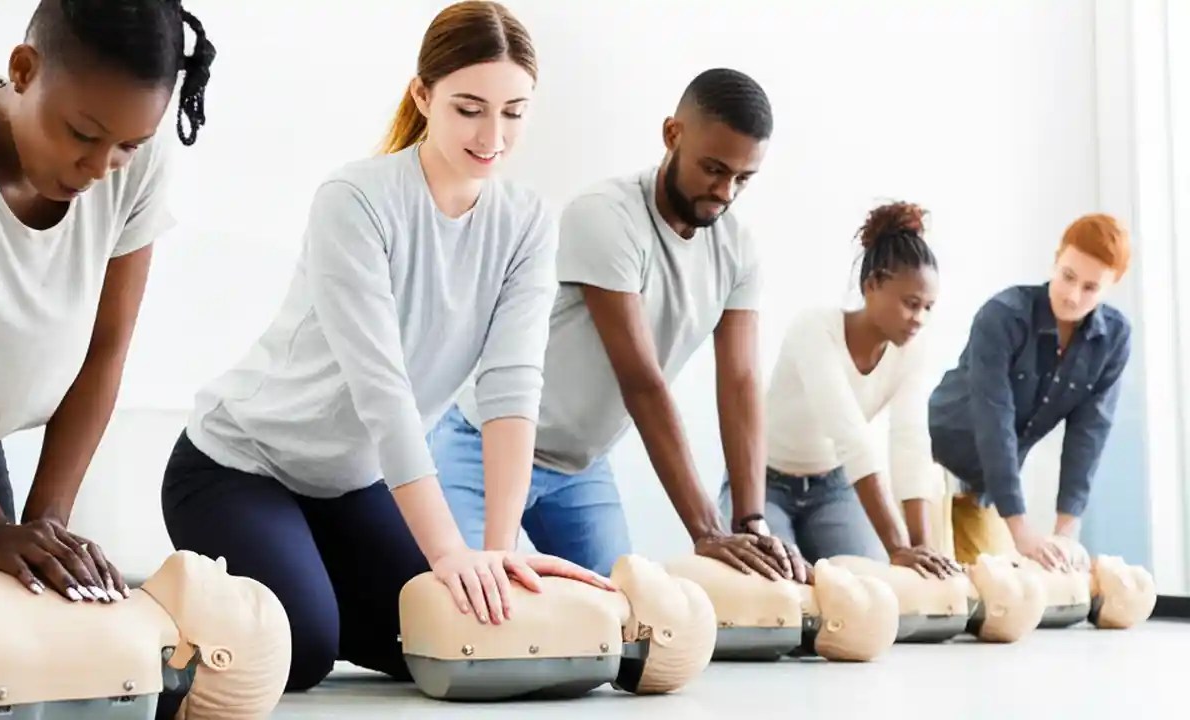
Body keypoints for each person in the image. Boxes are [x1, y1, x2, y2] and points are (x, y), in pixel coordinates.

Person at [160, 0, 609, 694]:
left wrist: (498, 552)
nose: (492, 135)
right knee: (301, 651)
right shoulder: (356, 199)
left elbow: (513, 388)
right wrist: (447, 551)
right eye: (469, 109)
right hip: (238, 466)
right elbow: (383, 392)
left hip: (350, 485)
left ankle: (307, 581)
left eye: (514, 112)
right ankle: (167, 611)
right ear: (422, 95)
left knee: (448, 636)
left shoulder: (525, 224)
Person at [431, 67, 808, 582]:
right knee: (475, 600)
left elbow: (740, 382)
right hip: (484, 446)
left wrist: (750, 520)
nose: (725, 191)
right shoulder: (606, 215)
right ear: (672, 134)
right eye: (714, 169)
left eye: (743, 178)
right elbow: (642, 381)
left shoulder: (737, 249)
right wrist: (706, 529)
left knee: (625, 615)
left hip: (579, 471)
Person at [0, 0, 214, 603]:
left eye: (129, 145)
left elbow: (105, 353)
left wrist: (48, 524)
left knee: (10, 623)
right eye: (82, 134)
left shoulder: (134, 162)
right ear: (23, 70)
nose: (100, 168)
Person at [716, 202, 959, 579]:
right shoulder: (814, 329)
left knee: (872, 586)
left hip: (833, 488)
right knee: (779, 583)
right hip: (761, 483)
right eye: (911, 304)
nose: (919, 319)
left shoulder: (913, 350)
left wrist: (920, 549)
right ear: (872, 285)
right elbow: (851, 436)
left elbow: (910, 442)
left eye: (928, 307)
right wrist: (897, 547)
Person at [928, 213, 1133, 570]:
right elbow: (994, 421)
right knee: (940, 581)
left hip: (983, 484)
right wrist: (1020, 528)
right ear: (1056, 260)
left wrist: (1065, 533)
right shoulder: (1003, 316)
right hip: (932, 461)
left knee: (994, 590)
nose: (1073, 296)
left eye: (1090, 287)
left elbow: (1089, 434)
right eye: (1068, 276)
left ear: (1111, 286)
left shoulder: (1113, 340)